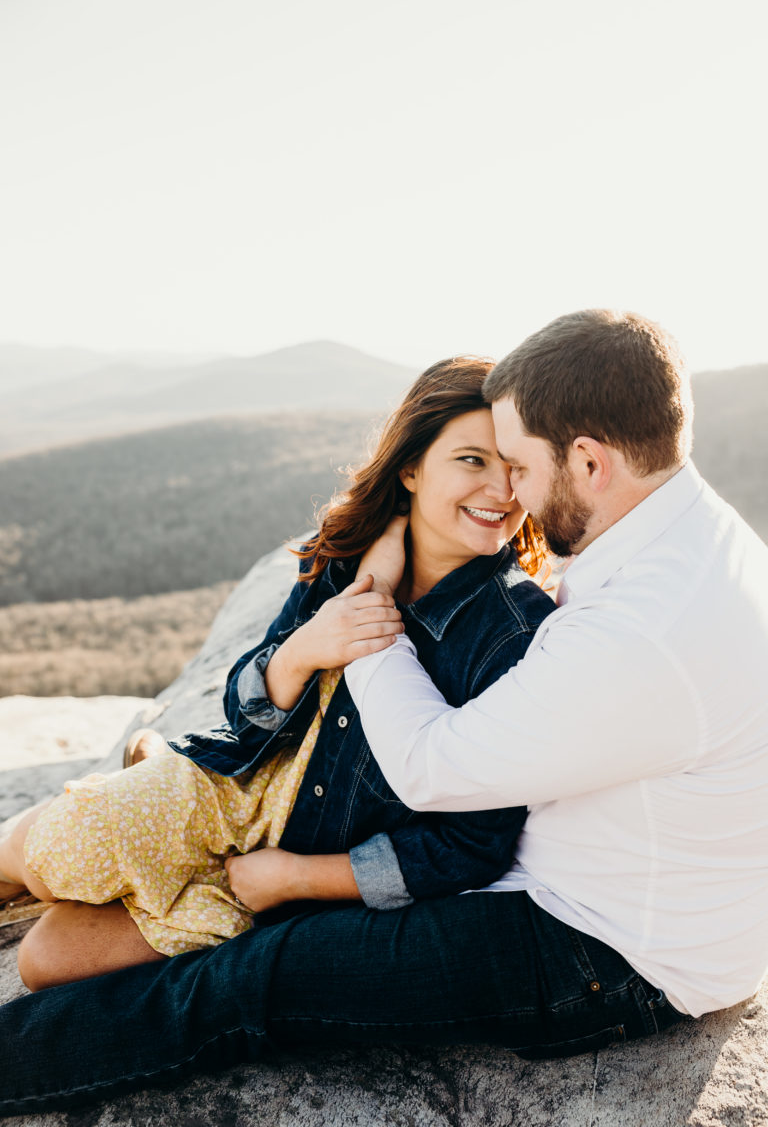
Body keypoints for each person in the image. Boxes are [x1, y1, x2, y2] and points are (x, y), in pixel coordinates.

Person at [1, 310, 767, 1117]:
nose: (516, 495)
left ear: (588, 459)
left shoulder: (636, 626)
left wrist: (369, 614)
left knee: (249, 983)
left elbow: (434, 771)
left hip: (599, 946)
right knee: (73, 859)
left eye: (520, 464)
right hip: (585, 886)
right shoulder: (692, 538)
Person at [0, 356, 554, 986]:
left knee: (46, 964)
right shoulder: (347, 554)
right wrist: (304, 649)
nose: (501, 491)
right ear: (410, 466)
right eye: (472, 460)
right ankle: (146, 793)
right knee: (51, 857)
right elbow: (244, 712)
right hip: (235, 787)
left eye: (514, 466)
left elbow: (472, 845)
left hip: (306, 856)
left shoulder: (515, 635)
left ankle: (149, 796)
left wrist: (294, 877)